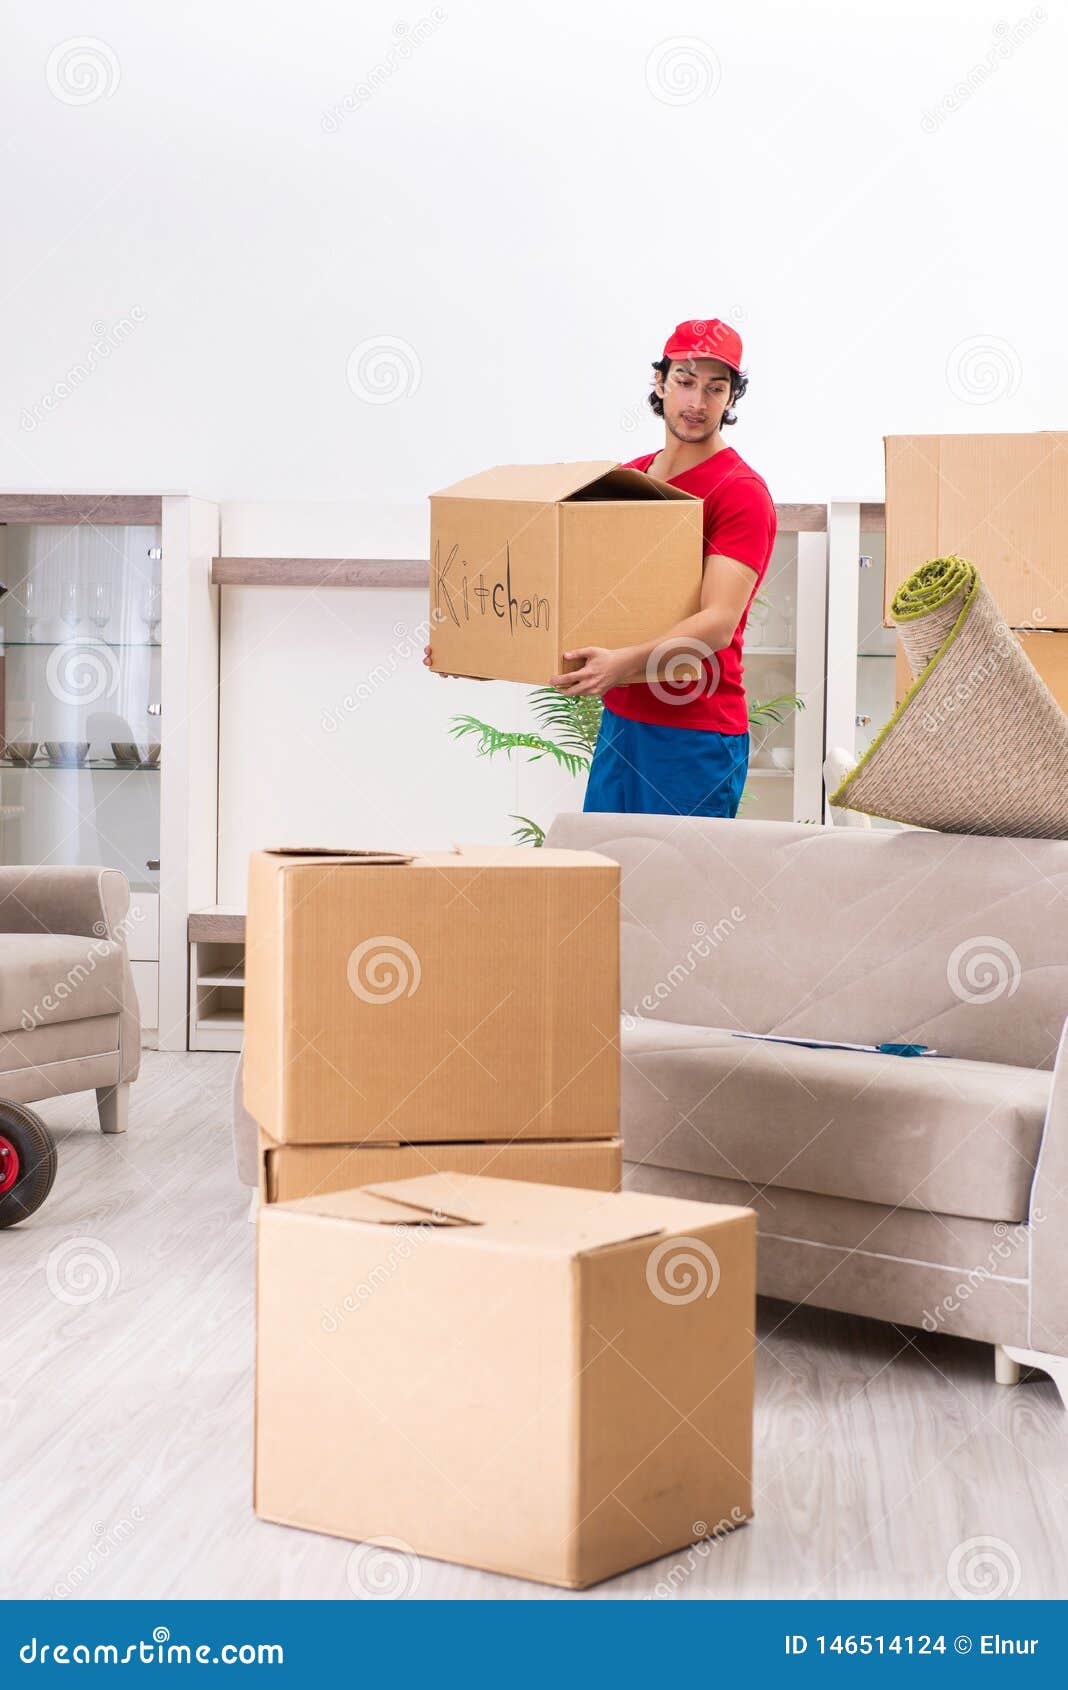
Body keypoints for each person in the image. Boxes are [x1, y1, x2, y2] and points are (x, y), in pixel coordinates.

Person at [552, 318, 776, 819]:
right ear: (660, 382)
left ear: (732, 398)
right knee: (609, 888)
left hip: (693, 734)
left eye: (716, 389)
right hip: (623, 724)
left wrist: (621, 664)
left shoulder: (740, 492)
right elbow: (582, 592)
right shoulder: (627, 479)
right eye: (685, 381)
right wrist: (482, 653)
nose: (698, 403)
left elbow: (717, 624)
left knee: (678, 894)